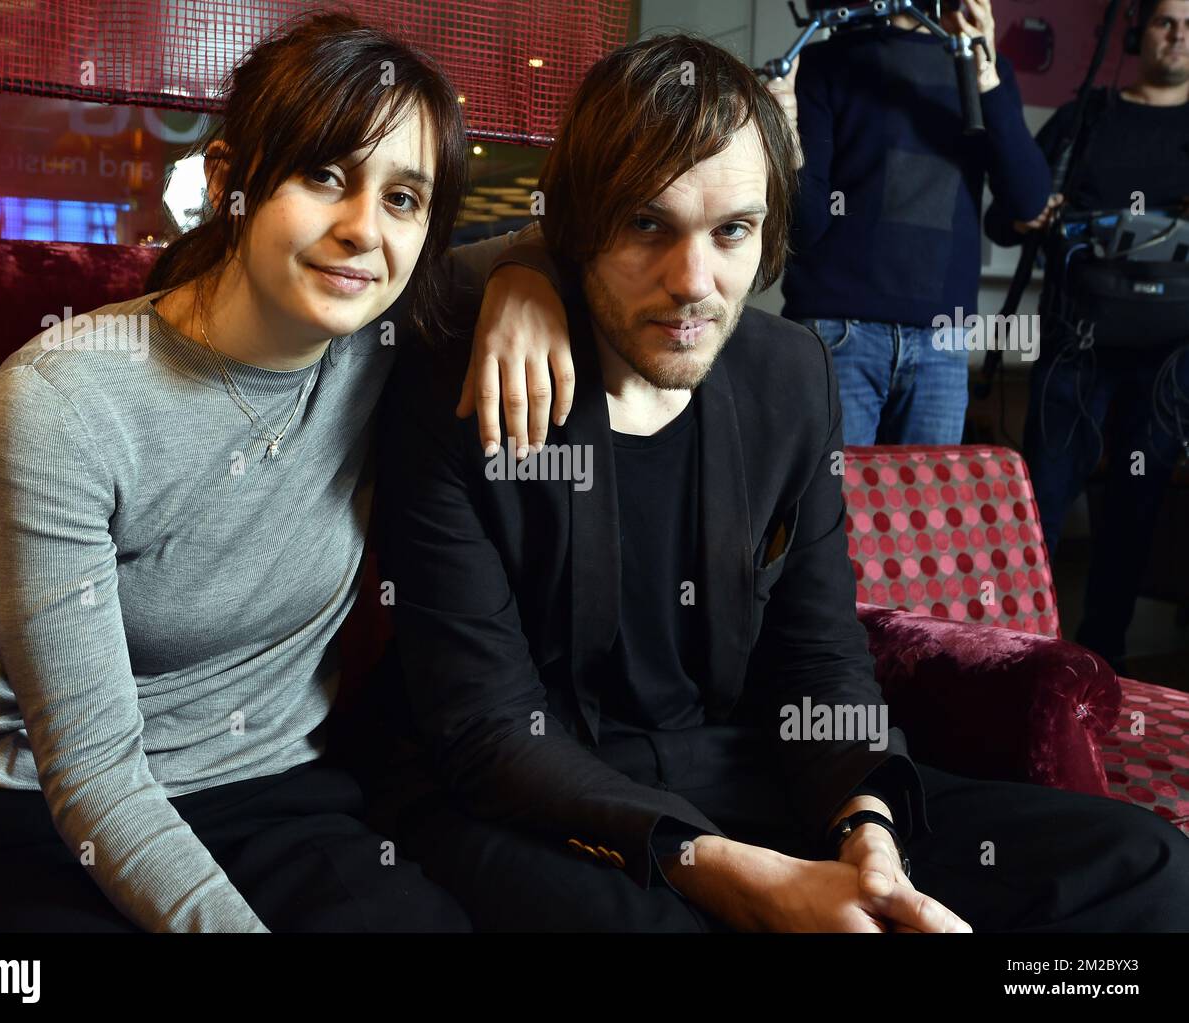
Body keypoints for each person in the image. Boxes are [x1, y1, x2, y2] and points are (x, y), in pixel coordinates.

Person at [363, 32, 1189, 933]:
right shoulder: (457, 387)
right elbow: (488, 734)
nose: (695, 282)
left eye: (733, 231)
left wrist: (865, 829)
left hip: (742, 767)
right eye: (647, 224)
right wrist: (743, 880)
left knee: (1149, 866)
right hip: (534, 796)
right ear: (576, 226)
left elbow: (822, 655)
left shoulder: (789, 377)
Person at [0, 12, 571, 934]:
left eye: (404, 199)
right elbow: (92, 774)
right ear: (229, 183)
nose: (361, 231)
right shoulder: (64, 395)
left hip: (279, 804)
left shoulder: (384, 334)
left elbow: (580, 238)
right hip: (53, 827)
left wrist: (521, 284)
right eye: (322, 174)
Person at [987, 0, 1189, 673]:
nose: (1179, 34)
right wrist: (1030, 216)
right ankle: (1018, 664)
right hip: (1075, 353)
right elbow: (1008, 214)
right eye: (1166, 20)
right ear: (1138, 32)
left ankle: (1101, 672)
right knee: (1039, 508)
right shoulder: (1084, 119)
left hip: (1165, 366)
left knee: (1133, 518)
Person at [784, 0, 1051, 445]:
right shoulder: (828, 60)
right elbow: (802, 226)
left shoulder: (981, 66)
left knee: (925, 512)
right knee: (829, 509)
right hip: (838, 330)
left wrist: (985, 72)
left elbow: (1027, 202)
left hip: (942, 340)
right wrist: (787, 139)